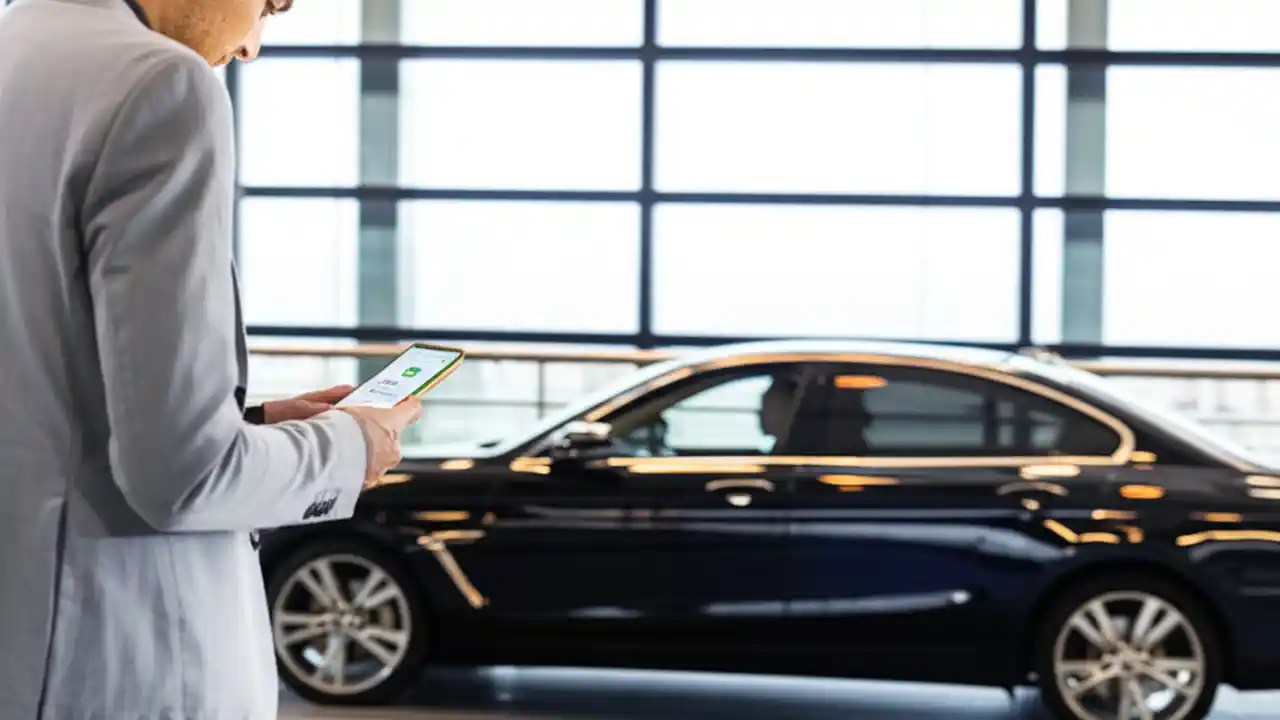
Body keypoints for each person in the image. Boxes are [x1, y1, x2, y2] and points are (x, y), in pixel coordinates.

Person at [0, 0, 423, 717]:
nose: (253, 45)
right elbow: (186, 478)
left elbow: (37, 385)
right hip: (120, 667)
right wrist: (349, 448)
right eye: (268, 5)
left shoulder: (17, 47)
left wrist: (251, 421)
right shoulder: (157, 84)